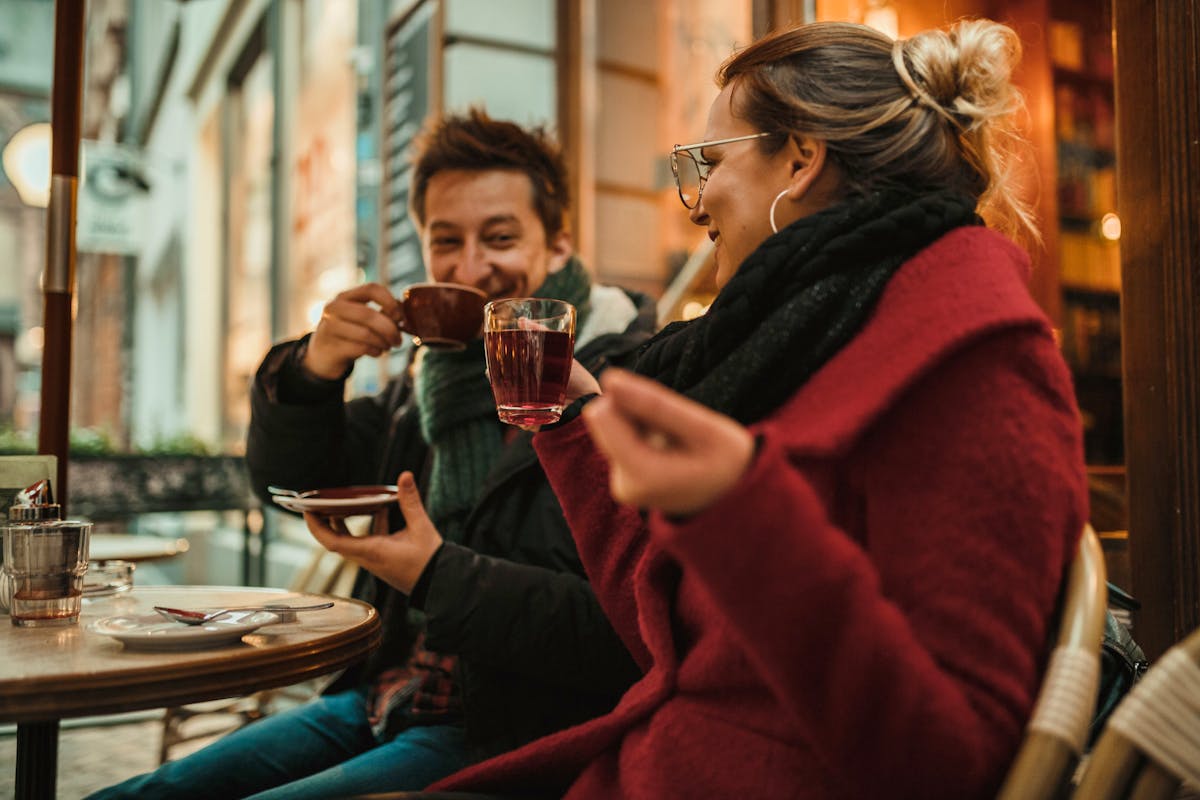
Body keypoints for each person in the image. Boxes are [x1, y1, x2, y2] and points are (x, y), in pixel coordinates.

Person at [426, 19, 1089, 800]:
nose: (697, 199)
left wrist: (742, 510)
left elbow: (947, 760)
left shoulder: (974, 357)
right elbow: (674, 639)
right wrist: (575, 429)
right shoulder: (805, 331)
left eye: (710, 162)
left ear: (801, 158)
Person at [88, 109, 654, 800]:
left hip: (509, 731)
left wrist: (438, 576)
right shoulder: (428, 383)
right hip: (382, 694)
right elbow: (293, 480)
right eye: (447, 241)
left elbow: (623, 630)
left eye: (500, 237)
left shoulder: (626, 382)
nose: (471, 266)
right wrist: (309, 372)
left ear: (559, 243)